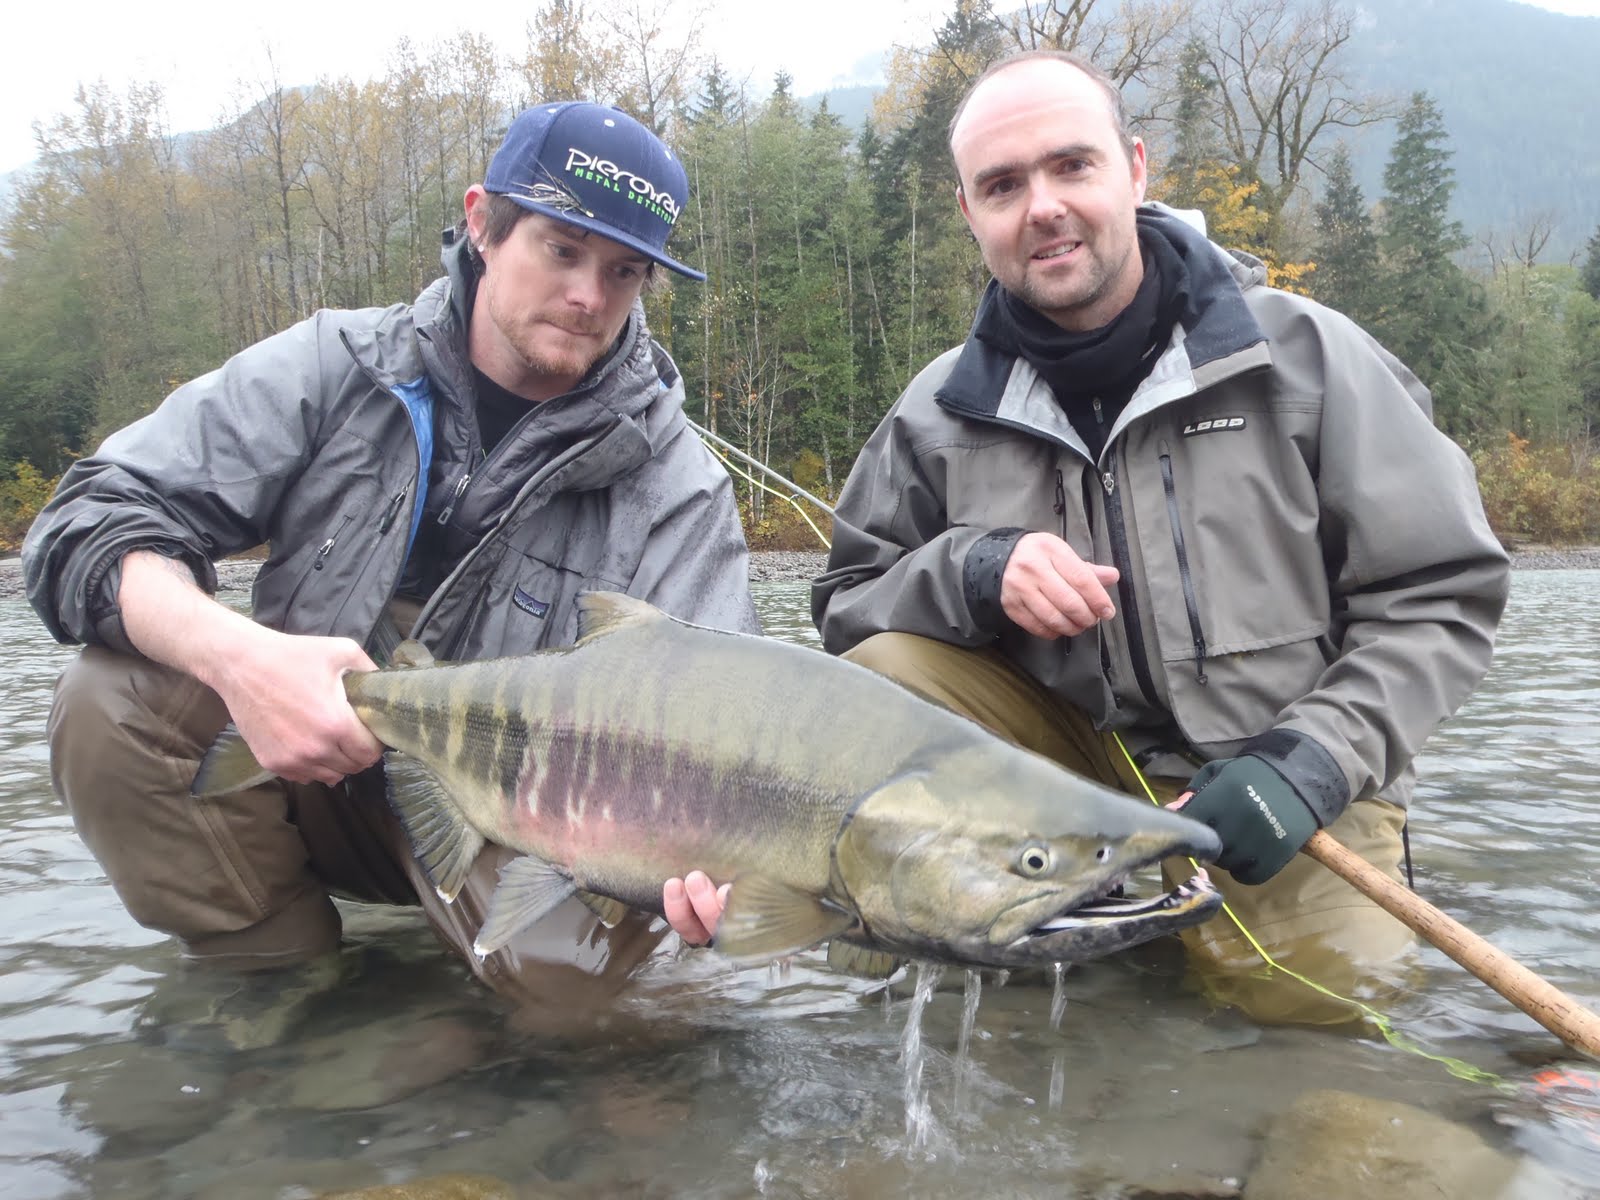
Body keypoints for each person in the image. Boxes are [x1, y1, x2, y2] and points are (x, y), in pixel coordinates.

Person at [803, 51, 1511, 1023]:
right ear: (970, 216)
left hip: (1290, 781)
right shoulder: (935, 412)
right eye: (1002, 186)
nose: (1041, 206)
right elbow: (846, 608)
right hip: (1051, 793)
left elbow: (1442, 593)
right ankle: (963, 918)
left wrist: (1307, 763)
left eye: (1071, 166)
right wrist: (970, 571)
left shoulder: (1302, 355)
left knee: (1328, 1036)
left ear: (1134, 171)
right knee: (889, 665)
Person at [23, 101, 759, 1005]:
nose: (590, 296)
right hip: (305, 754)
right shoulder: (336, 365)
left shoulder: (678, 487)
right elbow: (88, 517)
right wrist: (238, 657)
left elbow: (724, 722)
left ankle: (483, 1048)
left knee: (580, 1004)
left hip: (520, 822)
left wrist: (727, 875)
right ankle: (284, 987)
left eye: (625, 271)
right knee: (113, 697)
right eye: (562, 251)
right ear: (484, 222)